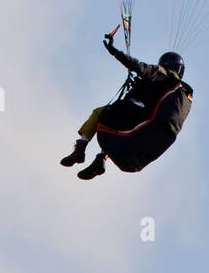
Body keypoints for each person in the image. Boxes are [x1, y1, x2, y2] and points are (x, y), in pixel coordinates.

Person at [60, 35, 193, 181]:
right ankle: (100, 160)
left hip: (136, 118)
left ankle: (80, 149)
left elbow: (140, 67)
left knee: (102, 113)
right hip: (144, 130)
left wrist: (115, 52)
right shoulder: (181, 95)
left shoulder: (163, 74)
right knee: (121, 121)